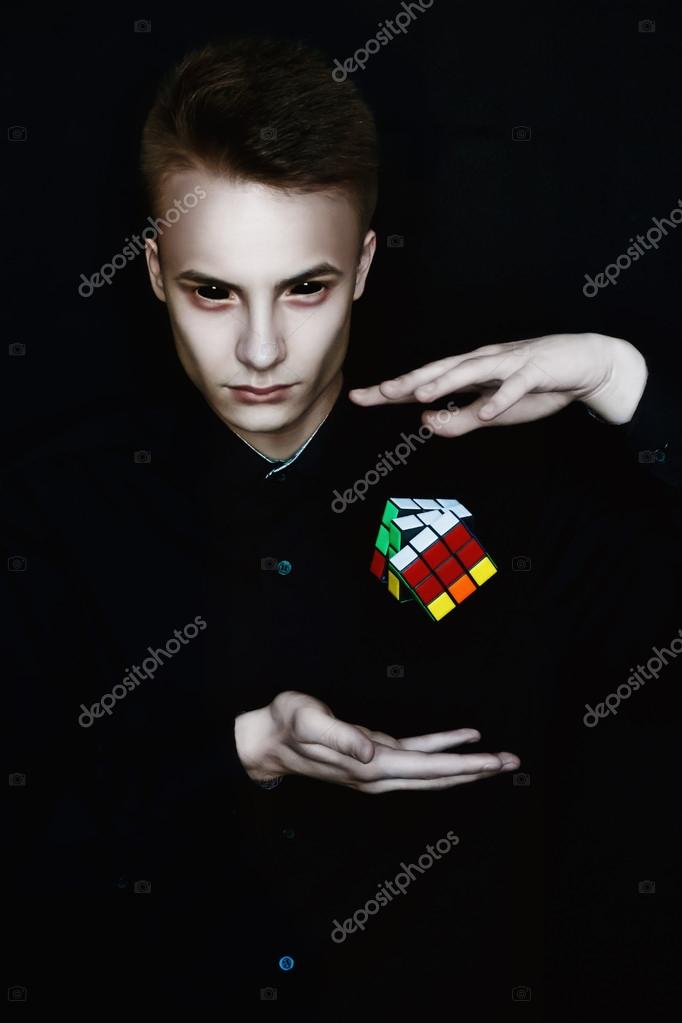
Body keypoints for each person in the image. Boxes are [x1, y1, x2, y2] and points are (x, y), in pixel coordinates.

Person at [6, 35, 679, 1016]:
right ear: (154, 270)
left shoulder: (511, 475)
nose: (262, 348)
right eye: (212, 292)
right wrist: (243, 752)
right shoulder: (50, 510)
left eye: (305, 287)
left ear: (362, 265)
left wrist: (626, 382)